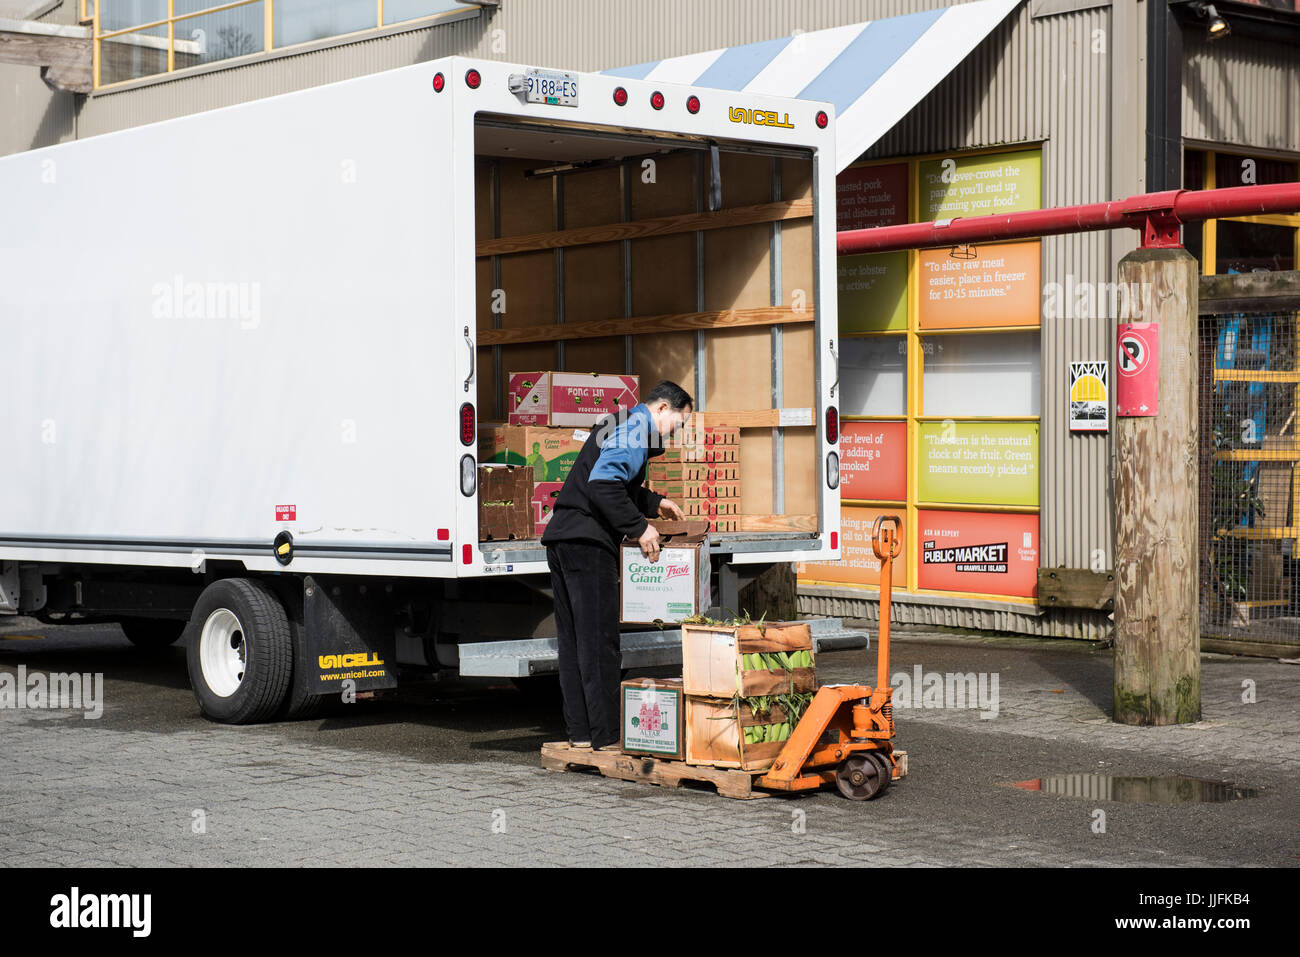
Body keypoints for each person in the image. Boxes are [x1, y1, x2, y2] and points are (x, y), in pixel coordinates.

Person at [541, 380, 694, 751]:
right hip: (588, 544)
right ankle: (606, 735)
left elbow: (613, 481)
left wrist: (653, 501)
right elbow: (604, 484)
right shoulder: (635, 428)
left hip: (564, 538)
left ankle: (580, 732)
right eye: (679, 421)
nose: (678, 431)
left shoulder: (619, 422)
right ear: (660, 410)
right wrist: (640, 528)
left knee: (575, 643)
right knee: (598, 643)